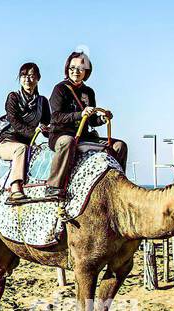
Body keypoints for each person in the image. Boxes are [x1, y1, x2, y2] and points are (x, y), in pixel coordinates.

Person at [44, 52, 128, 201]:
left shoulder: (89, 92)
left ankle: (119, 186)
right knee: (67, 141)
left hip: (83, 136)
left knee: (120, 146)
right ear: (67, 69)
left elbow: (92, 121)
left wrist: (102, 118)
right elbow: (55, 117)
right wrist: (79, 114)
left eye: (80, 68)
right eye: (72, 67)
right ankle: (53, 186)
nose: (76, 71)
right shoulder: (60, 89)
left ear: (86, 72)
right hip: (60, 135)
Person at [0, 62, 50, 206]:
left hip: (29, 143)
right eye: (24, 76)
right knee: (20, 149)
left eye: (31, 76)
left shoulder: (42, 102)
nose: (27, 79)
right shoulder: (13, 97)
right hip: (7, 142)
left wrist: (49, 131)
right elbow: (14, 122)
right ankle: (15, 188)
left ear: (38, 78)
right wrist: (34, 131)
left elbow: (48, 124)